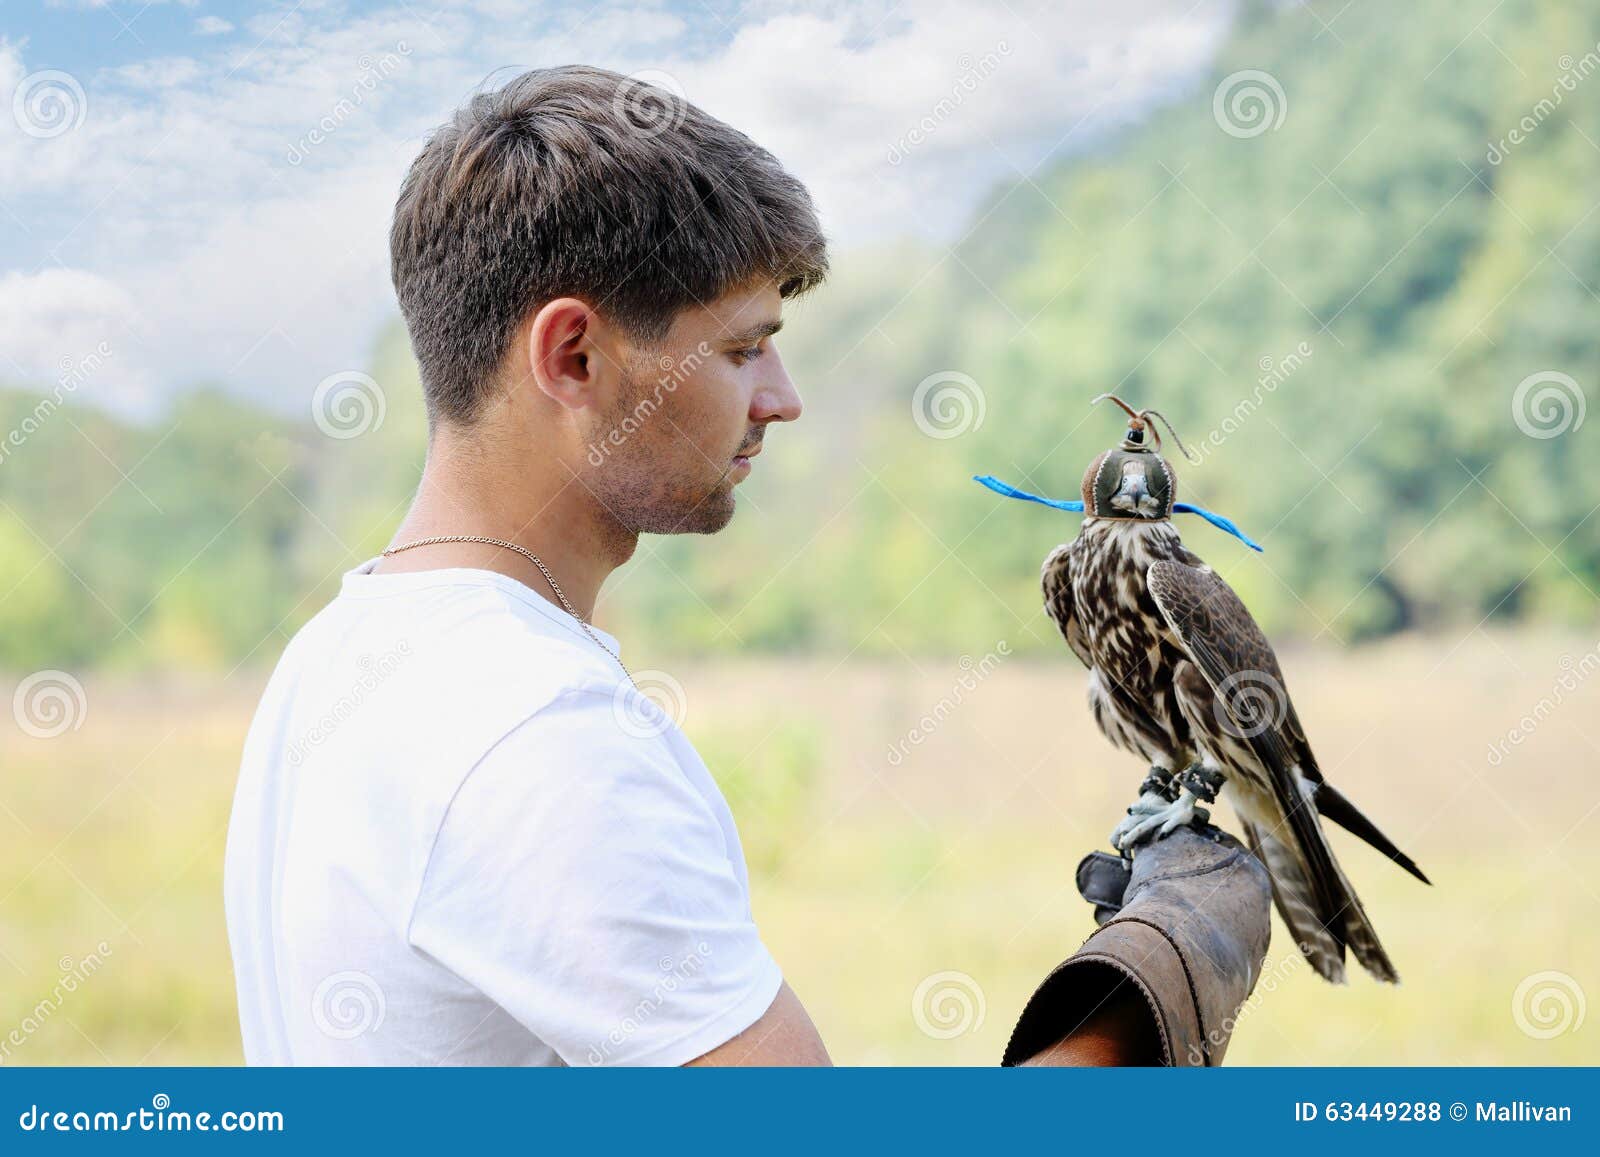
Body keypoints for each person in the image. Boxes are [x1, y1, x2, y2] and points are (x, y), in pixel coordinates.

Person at [223, 65, 1270, 1067]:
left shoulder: (333, 657)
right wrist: (1151, 981)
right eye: (740, 349)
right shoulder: (540, 734)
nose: (781, 396)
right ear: (574, 356)